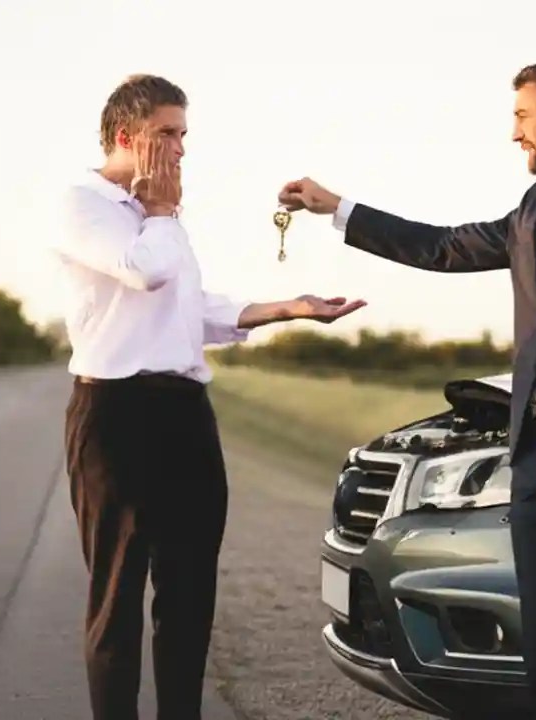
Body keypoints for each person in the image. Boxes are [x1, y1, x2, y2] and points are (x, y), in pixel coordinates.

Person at [278, 61, 536, 720]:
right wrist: (340, 209)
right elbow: (444, 246)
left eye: (521, 116)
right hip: (531, 455)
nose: (514, 134)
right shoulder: (533, 208)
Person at [53, 73, 365, 720]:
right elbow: (145, 273)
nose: (182, 150)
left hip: (185, 417)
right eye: (168, 134)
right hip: (114, 417)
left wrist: (290, 308)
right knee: (116, 600)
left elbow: (189, 307)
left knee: (190, 597)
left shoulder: (156, 214)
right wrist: (163, 212)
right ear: (125, 136)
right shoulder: (82, 204)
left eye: (184, 134)